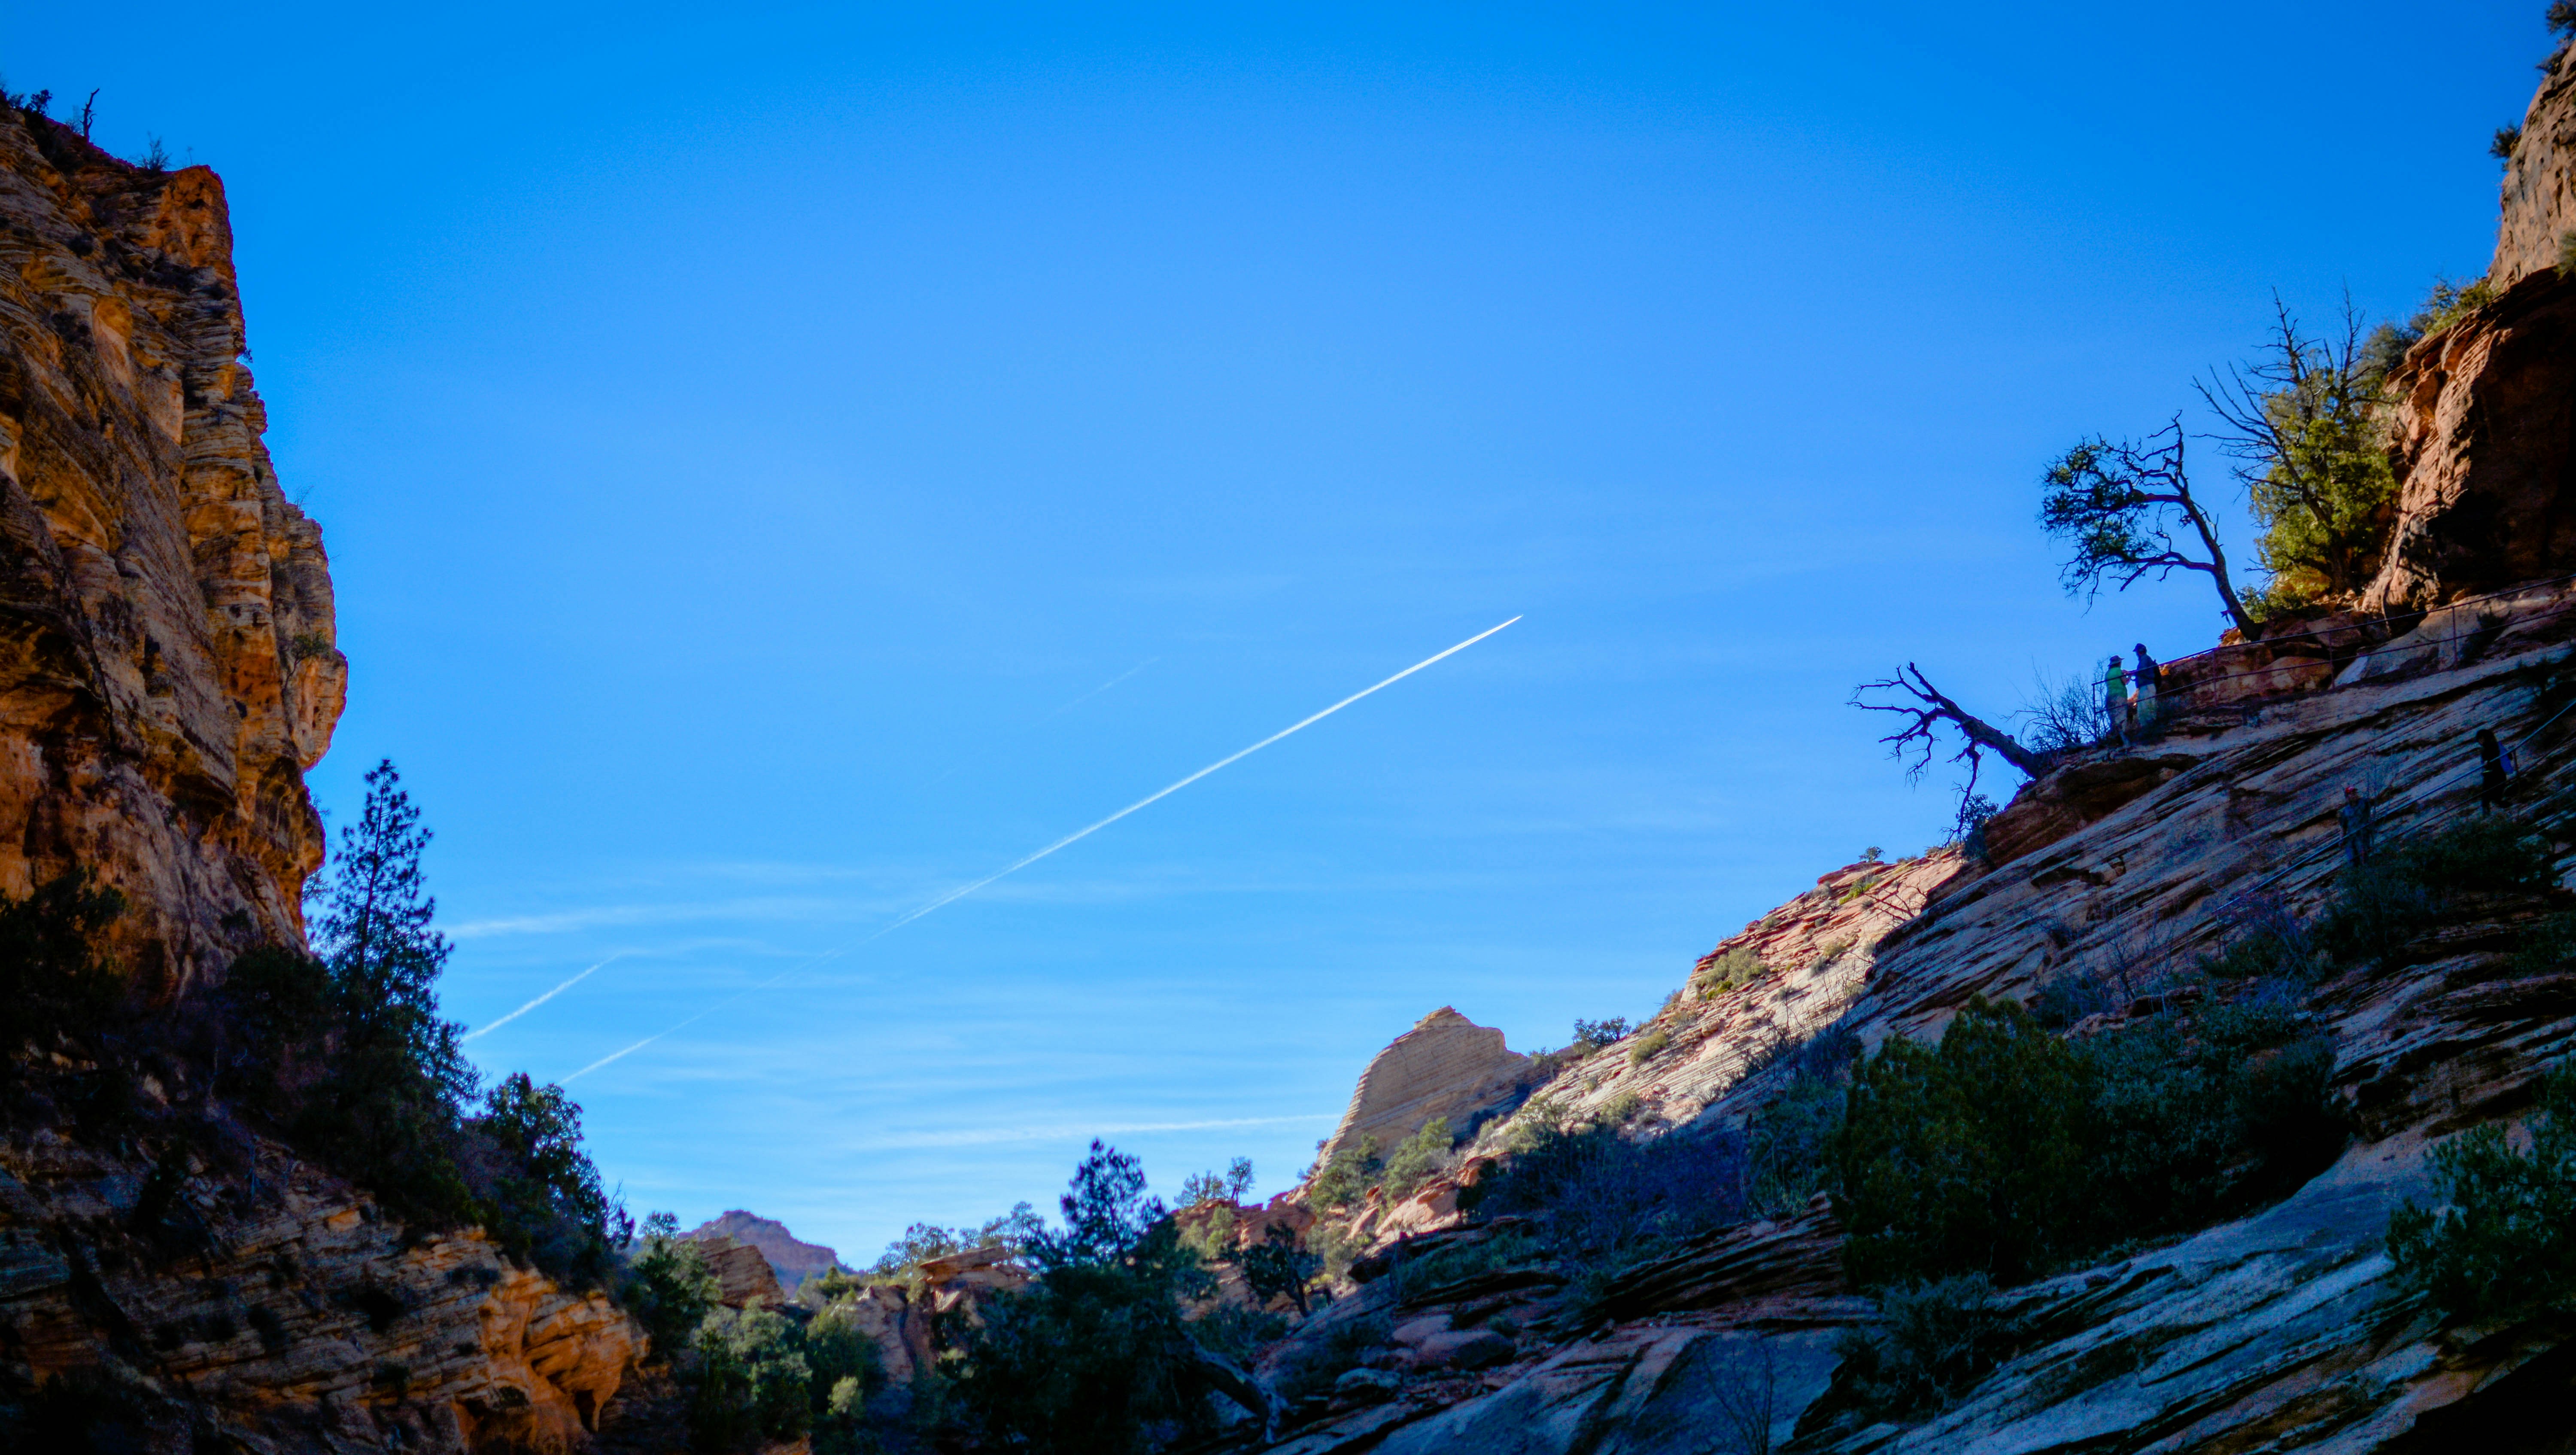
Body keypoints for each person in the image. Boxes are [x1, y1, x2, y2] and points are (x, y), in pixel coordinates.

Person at [2479, 728, 2513, 813]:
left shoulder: (2487, 749)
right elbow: (2510, 756)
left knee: (2487, 793)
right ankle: (2499, 804)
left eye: (2481, 739)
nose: (2480, 742)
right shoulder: (2498, 746)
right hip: (2500, 773)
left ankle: (2488, 811)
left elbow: (2487, 763)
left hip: (2492, 774)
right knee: (2497, 792)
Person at [2339, 785, 2375, 868]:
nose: (2354, 795)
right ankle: (2357, 875)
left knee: (2363, 855)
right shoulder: (2346, 811)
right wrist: (2342, 839)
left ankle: (2367, 872)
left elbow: (2376, 800)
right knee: (2352, 859)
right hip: (2351, 837)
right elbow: (2343, 826)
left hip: (2362, 835)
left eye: (2355, 793)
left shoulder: (2364, 802)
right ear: (2348, 797)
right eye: (2352, 794)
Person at [2132, 642, 2160, 734]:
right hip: (2148, 686)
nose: (2136, 654)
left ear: (2139, 652)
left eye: (2137, 652)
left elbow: (2142, 671)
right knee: (2148, 707)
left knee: (2146, 709)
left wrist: (2131, 673)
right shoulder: (2147, 659)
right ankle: (2150, 729)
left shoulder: (2145, 659)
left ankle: (2149, 730)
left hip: (2146, 687)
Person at [2103, 653, 2129, 743]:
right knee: (2121, 718)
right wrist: (2129, 675)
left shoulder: (2107, 674)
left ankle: (2114, 739)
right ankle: (2123, 739)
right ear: (2119, 663)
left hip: (2109, 697)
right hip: (2120, 695)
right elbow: (2125, 682)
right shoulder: (2119, 671)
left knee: (2113, 720)